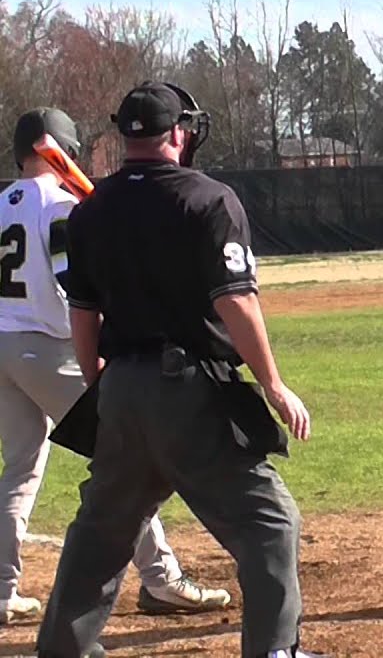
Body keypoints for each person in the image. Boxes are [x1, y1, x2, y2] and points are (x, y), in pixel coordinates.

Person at [35, 82, 321, 658]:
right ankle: (275, 650)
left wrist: (99, 385)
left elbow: (83, 311)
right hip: (189, 391)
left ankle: (62, 650)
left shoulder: (91, 210)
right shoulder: (208, 199)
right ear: (179, 134)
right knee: (269, 524)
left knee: (100, 535)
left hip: (120, 387)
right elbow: (235, 300)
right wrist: (273, 384)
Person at [0, 108, 232, 626]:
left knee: (19, 469)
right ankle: (160, 578)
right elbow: (75, 286)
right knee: (127, 460)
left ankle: (1, 590)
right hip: (49, 346)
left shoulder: (1, 204)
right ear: (62, 151)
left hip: (2, 347)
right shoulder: (61, 206)